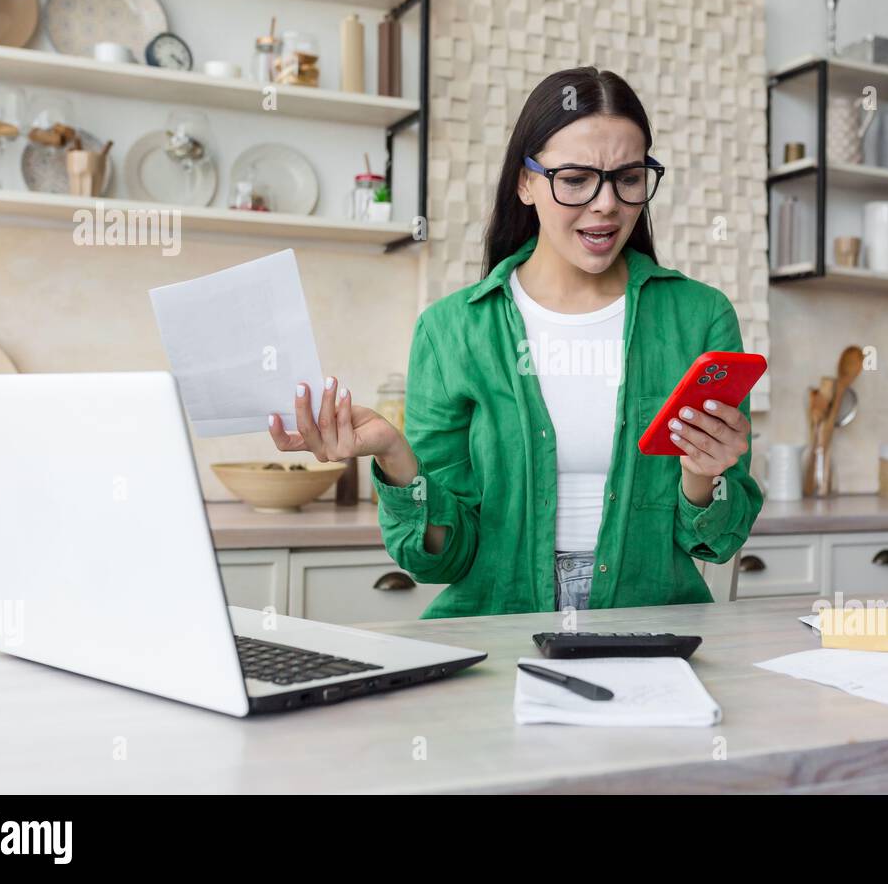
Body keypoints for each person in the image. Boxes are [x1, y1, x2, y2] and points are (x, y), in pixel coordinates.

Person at [268, 66, 763, 618]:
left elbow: (715, 541)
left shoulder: (700, 319)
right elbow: (440, 562)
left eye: (628, 178)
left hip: (650, 627)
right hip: (495, 633)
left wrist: (702, 473)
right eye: (575, 179)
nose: (606, 204)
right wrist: (393, 453)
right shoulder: (451, 330)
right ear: (525, 182)